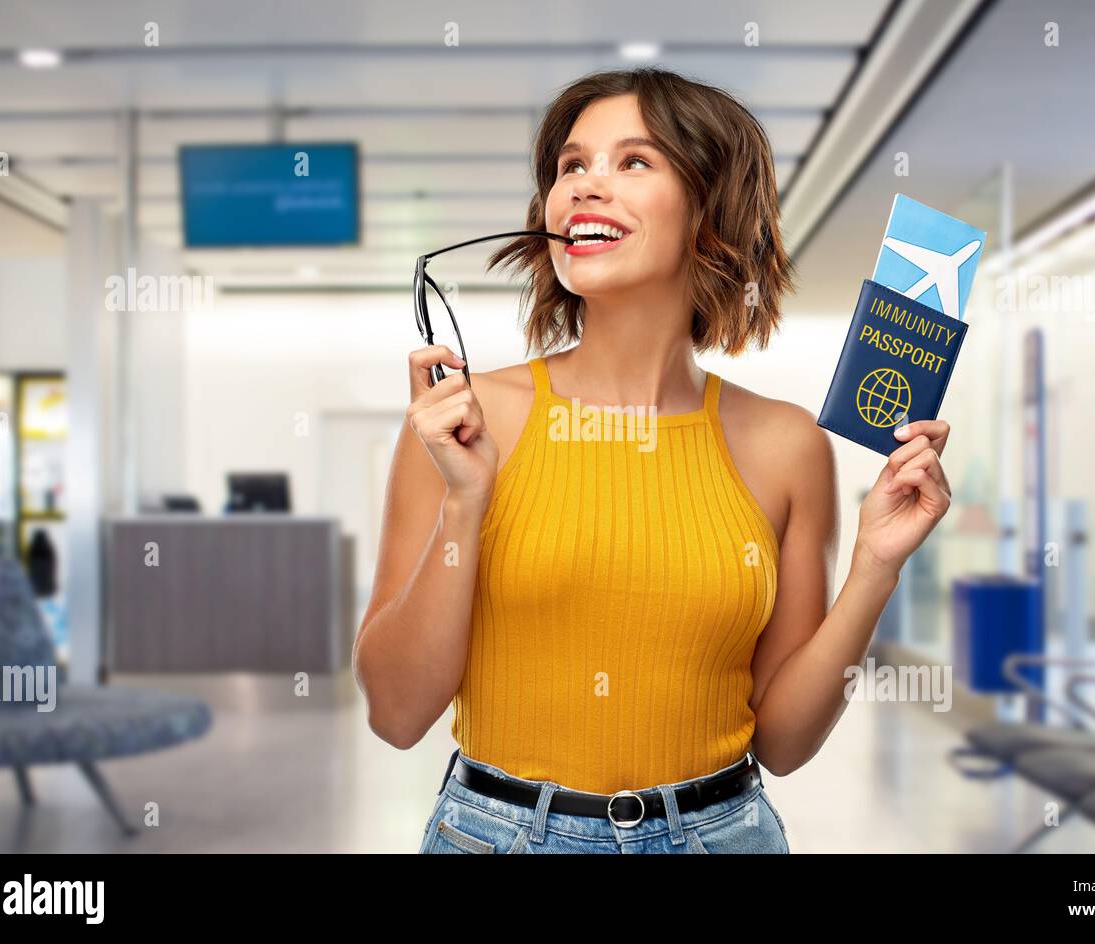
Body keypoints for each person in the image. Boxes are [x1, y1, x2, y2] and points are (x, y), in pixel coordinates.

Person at [354, 67, 952, 854]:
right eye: (572, 166)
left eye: (634, 162)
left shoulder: (785, 446)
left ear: (710, 209)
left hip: (724, 834)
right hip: (496, 836)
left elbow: (785, 742)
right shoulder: (467, 421)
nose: (585, 186)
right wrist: (466, 503)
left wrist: (876, 566)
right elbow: (396, 716)